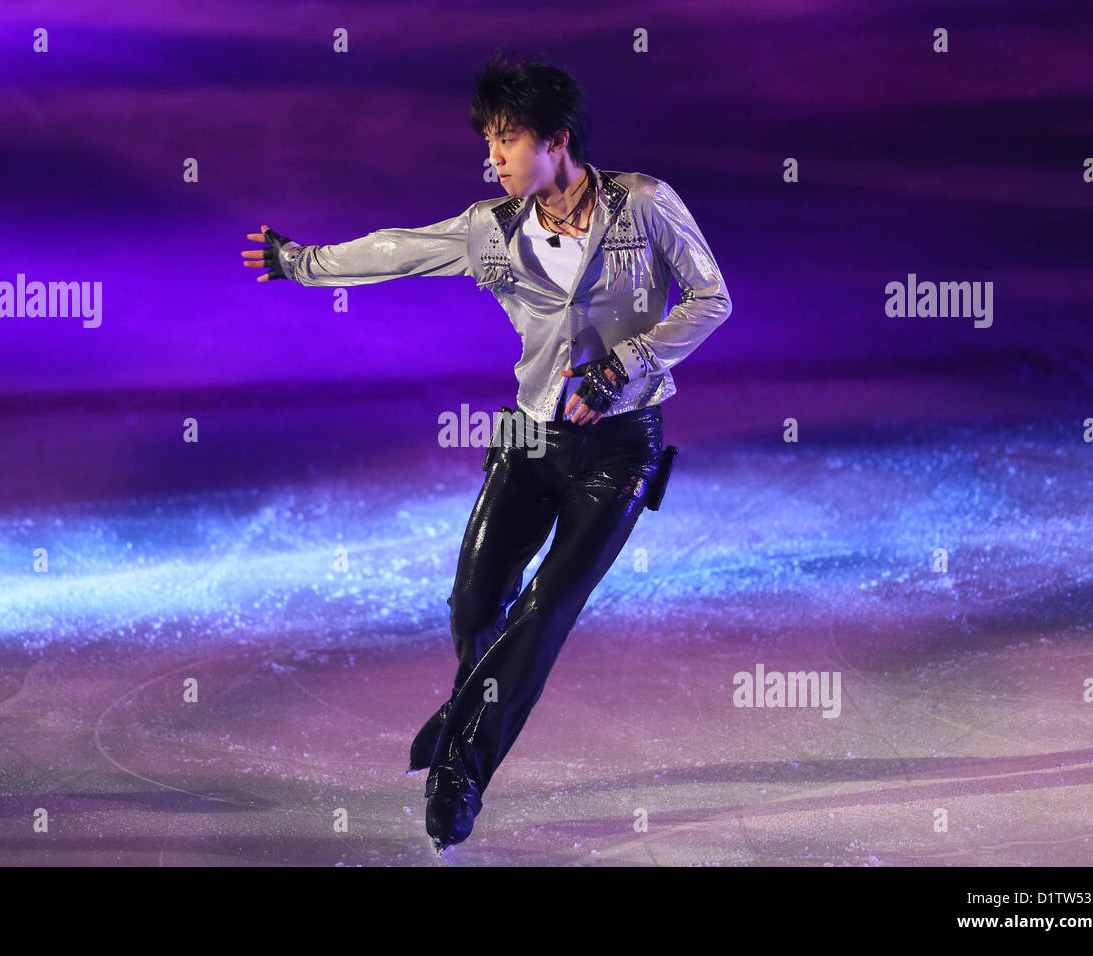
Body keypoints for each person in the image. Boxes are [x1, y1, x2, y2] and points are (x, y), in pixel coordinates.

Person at [241, 51, 732, 854]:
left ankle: (463, 767)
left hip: (622, 443)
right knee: (473, 606)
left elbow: (712, 298)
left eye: (505, 139)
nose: (491, 157)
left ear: (557, 139)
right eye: (490, 142)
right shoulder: (489, 231)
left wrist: (624, 364)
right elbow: (395, 249)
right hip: (524, 431)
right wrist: (299, 264)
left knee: (544, 612)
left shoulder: (643, 205)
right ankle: (471, 702)